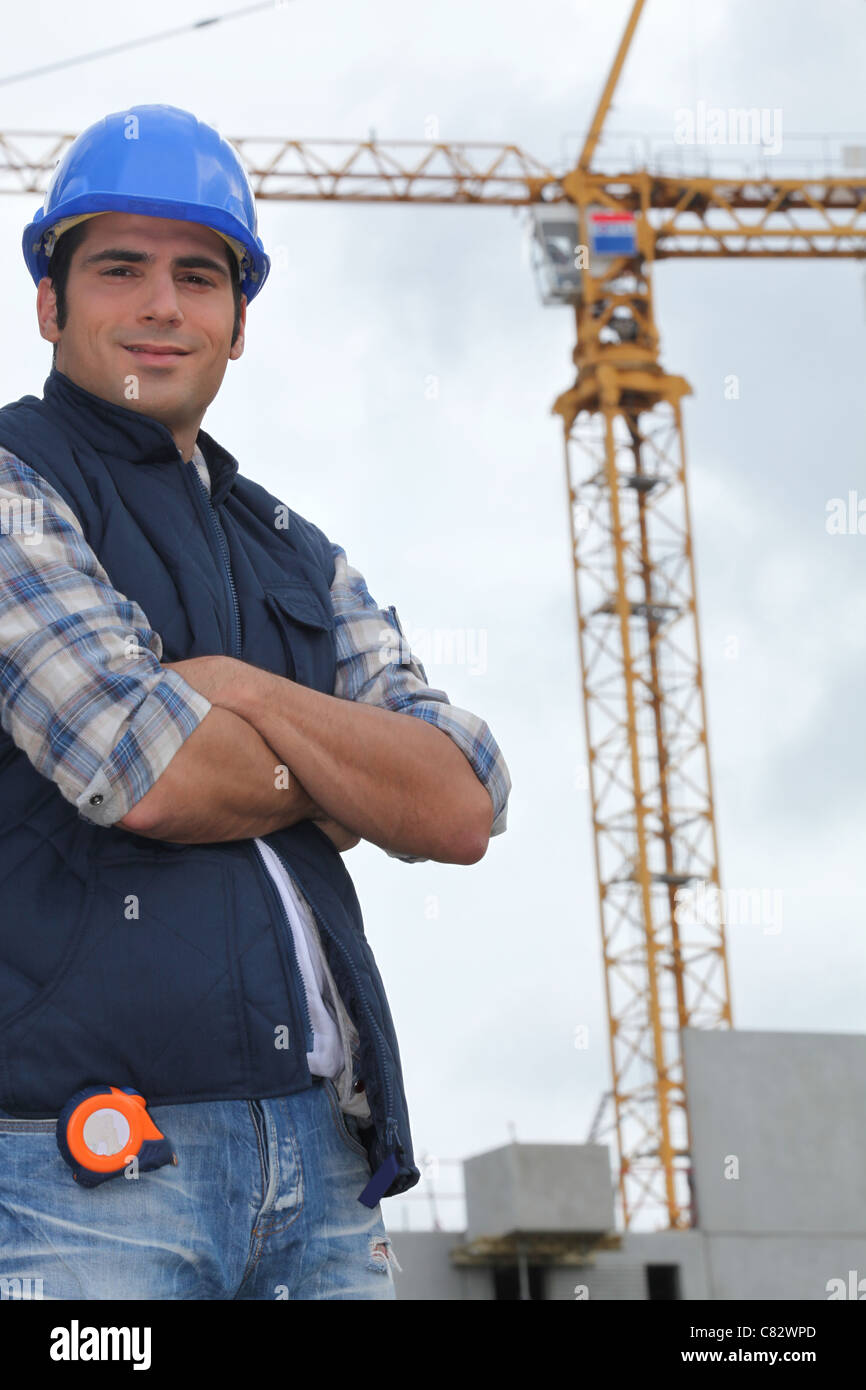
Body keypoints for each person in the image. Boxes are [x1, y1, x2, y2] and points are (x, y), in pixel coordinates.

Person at [0, 104, 511, 1301]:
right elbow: (149, 772)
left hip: (325, 1172)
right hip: (83, 1174)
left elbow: (455, 801)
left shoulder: (293, 549)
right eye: (118, 268)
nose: (162, 305)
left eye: (197, 275)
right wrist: (336, 786)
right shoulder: (16, 486)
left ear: (238, 324)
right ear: (51, 303)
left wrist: (233, 687)